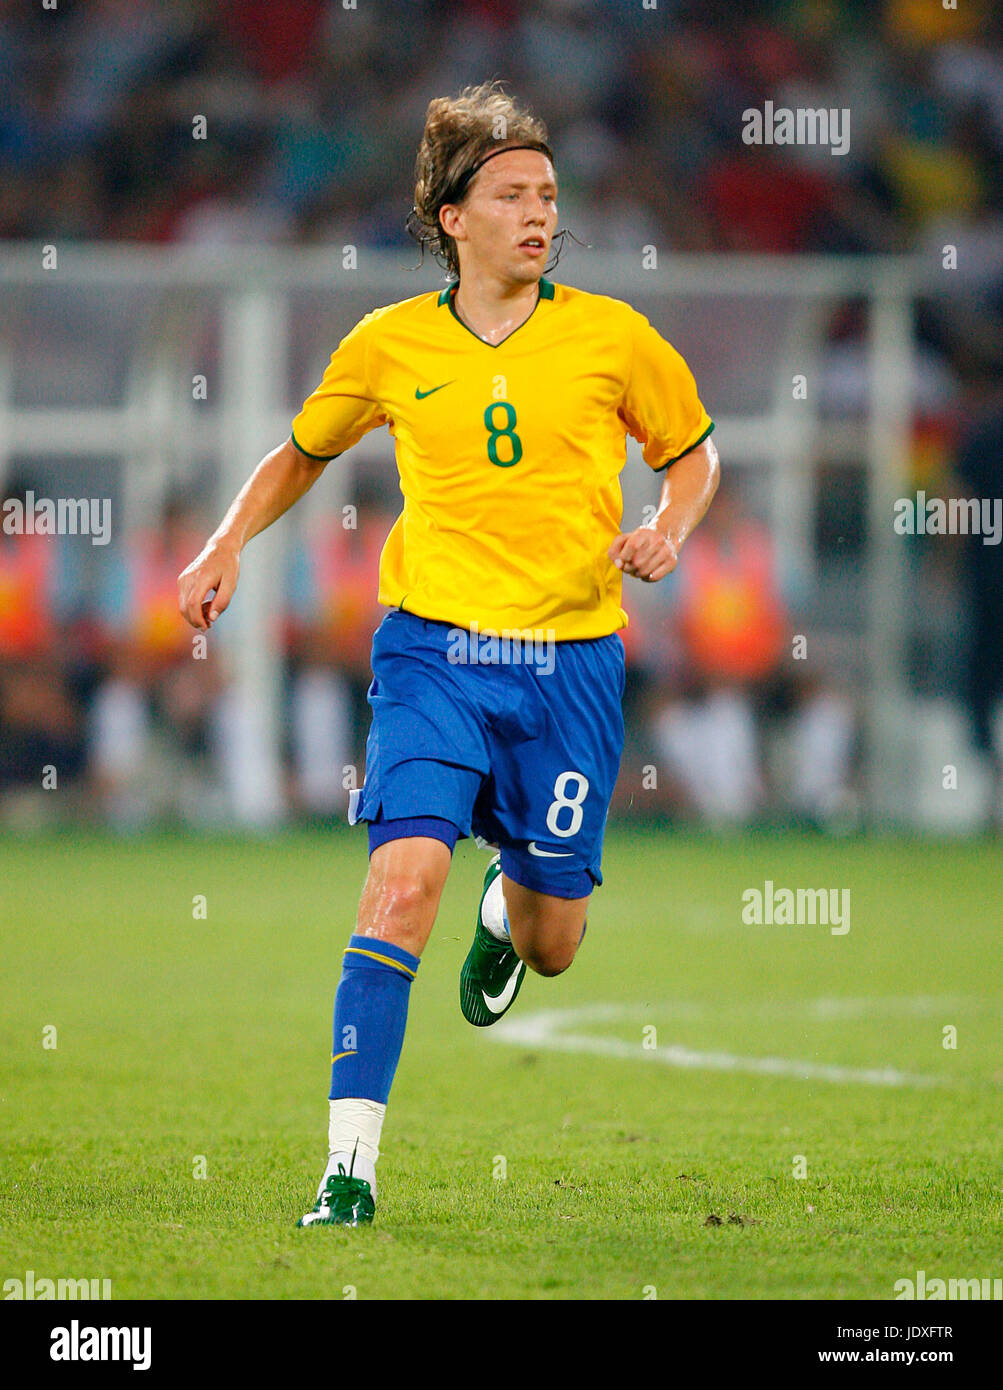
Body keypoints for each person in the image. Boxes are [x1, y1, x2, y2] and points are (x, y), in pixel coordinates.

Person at [177, 82, 719, 1227]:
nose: (538, 214)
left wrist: (667, 529)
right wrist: (223, 545)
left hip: (571, 663)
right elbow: (298, 450)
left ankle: (506, 908)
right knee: (400, 876)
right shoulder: (389, 343)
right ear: (450, 214)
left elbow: (693, 455)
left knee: (555, 942)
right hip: (432, 653)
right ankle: (347, 1171)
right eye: (513, 194)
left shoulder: (613, 336)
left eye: (549, 196)